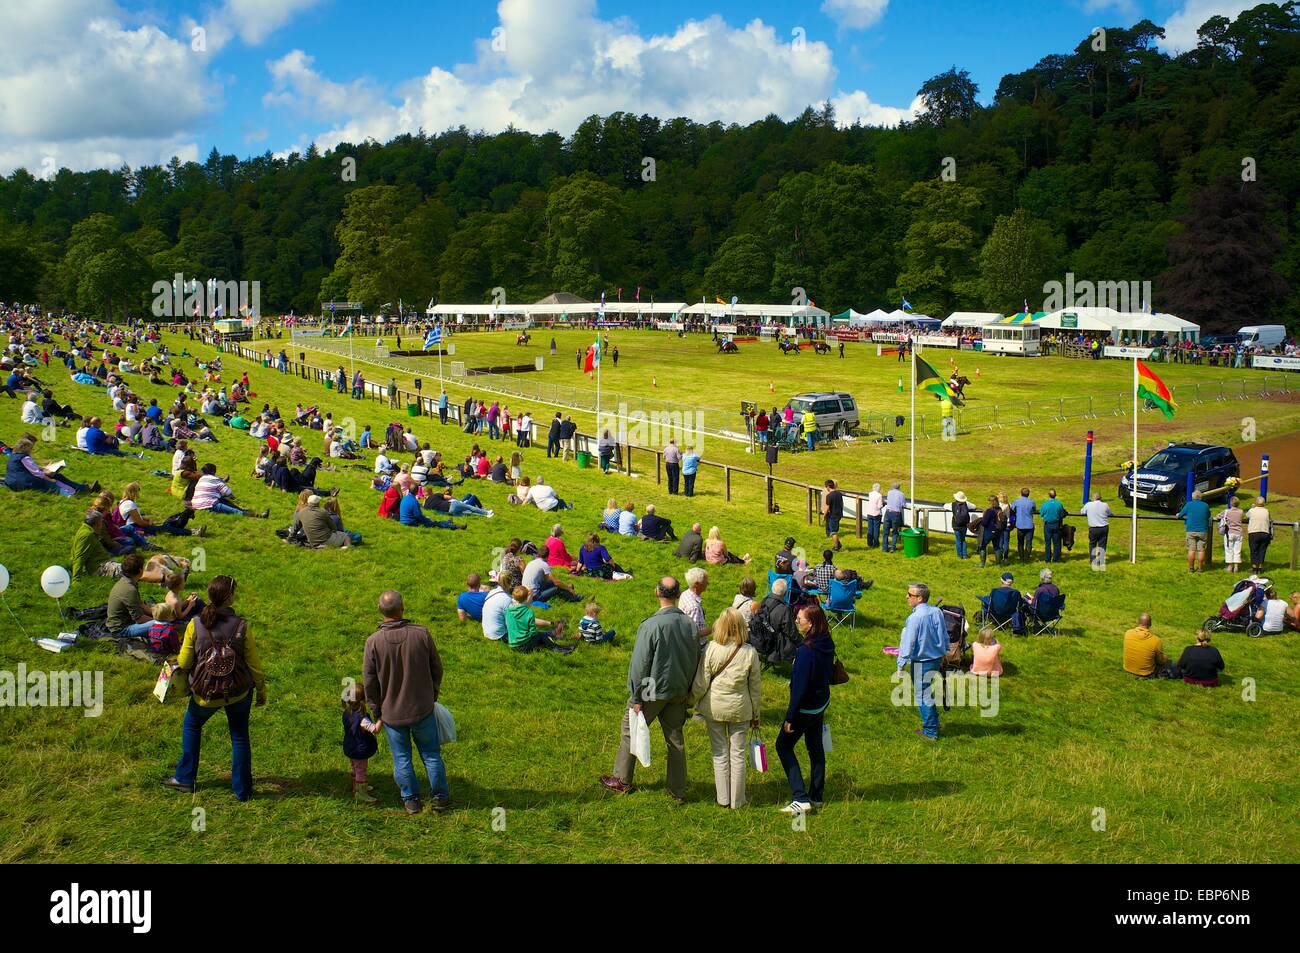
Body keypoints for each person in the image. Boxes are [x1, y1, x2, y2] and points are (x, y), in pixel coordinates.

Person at [162, 575, 265, 801]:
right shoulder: (242, 625)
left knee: (192, 725)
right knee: (239, 736)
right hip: (239, 692)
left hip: (205, 694)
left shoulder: (195, 624)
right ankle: (242, 791)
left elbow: (186, 662)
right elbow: (254, 664)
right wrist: (261, 689)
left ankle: (185, 778)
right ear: (230, 597)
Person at [600, 578, 701, 801]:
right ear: (677, 594)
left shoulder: (651, 625)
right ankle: (677, 789)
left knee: (630, 728)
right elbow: (696, 657)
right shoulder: (690, 624)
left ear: (657, 592)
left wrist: (637, 696)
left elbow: (640, 664)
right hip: (679, 689)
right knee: (675, 739)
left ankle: (622, 779)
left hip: (651, 689)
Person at [363, 590, 449, 814]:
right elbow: (437, 669)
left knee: (402, 759)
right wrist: (432, 695)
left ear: (381, 611)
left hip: (391, 713)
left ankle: (411, 800)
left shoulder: (373, 642)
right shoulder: (422, 634)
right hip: (422, 707)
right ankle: (440, 797)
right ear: (402, 608)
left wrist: (377, 711)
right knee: (431, 754)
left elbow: (369, 682)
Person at [691, 607, 761, 809]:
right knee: (737, 754)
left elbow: (701, 681)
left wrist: (690, 701)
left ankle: (723, 799)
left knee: (719, 753)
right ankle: (737, 801)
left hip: (715, 708)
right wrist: (756, 714)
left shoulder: (711, 648)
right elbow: (755, 688)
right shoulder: (750, 653)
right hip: (740, 709)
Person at [776, 604, 835, 813]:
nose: (796, 621)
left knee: (783, 746)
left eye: (800, 618)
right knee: (815, 748)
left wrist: (790, 717)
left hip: (805, 707)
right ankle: (816, 795)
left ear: (810, 623)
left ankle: (800, 797)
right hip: (820, 704)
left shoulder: (805, 651)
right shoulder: (826, 641)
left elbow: (799, 688)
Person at [897, 582, 948, 740]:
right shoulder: (936, 611)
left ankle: (930, 732)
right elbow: (944, 634)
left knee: (922, 695)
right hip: (936, 658)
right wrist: (944, 652)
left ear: (919, 598)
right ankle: (934, 722)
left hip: (922, 662)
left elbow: (908, 643)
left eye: (910, 595)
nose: (907, 597)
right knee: (926, 692)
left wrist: (901, 664)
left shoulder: (915, 618)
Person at [5, 434, 93, 495]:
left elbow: (28, 468)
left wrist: (44, 468)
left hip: (11, 481)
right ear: (25, 447)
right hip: (24, 482)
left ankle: (80, 488)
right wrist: (49, 479)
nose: (31, 450)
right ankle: (75, 492)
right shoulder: (24, 457)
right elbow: (36, 473)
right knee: (56, 479)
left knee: (56, 476)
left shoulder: (14, 456)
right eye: (31, 448)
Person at [342, 681, 382, 804]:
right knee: (361, 771)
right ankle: (361, 793)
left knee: (355, 767)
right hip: (359, 749)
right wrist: (381, 718)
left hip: (350, 746)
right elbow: (375, 729)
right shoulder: (362, 719)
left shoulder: (347, 712)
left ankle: (356, 787)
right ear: (363, 700)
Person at [505, 585, 573, 653]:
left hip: (513, 645)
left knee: (540, 635)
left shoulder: (508, 610)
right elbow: (533, 632)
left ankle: (554, 635)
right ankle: (558, 648)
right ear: (526, 598)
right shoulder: (528, 612)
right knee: (541, 636)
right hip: (523, 646)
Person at [106, 553, 156, 637]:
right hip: (121, 629)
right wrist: (159, 620)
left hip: (125, 621)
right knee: (162, 625)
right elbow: (139, 619)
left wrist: (156, 612)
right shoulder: (130, 589)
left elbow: (141, 605)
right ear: (140, 571)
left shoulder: (127, 581)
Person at [1123, 613, 1177, 678]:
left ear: (1138, 622)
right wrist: (1165, 658)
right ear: (1150, 624)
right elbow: (1160, 661)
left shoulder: (1128, 633)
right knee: (1173, 664)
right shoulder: (1156, 640)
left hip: (1128, 668)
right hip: (1146, 673)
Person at [1176, 490, 1212, 573]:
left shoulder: (1189, 504)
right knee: (1201, 550)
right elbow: (1208, 515)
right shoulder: (1205, 505)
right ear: (1201, 497)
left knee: (1191, 550)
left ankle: (1191, 568)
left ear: (1193, 497)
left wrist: (1178, 515)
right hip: (1202, 530)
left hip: (1191, 530)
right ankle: (1200, 569)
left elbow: (1181, 514)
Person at [1080, 491, 1112, 571]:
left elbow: (1082, 512)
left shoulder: (1088, 505)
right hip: (1104, 527)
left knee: (1092, 544)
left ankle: (1093, 561)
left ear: (1092, 498)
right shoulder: (1105, 505)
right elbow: (1110, 513)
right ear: (1100, 498)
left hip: (1093, 528)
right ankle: (1100, 561)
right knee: (1102, 545)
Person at [679, 566, 712, 644]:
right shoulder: (694, 607)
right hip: (698, 647)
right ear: (697, 584)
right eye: (705, 581)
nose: (708, 583)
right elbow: (694, 634)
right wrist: (714, 628)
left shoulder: (685, 593)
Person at [1218, 496, 1245, 573]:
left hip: (1229, 533)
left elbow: (1218, 516)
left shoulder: (1226, 511)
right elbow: (1243, 517)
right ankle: (1236, 567)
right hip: (1239, 533)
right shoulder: (1241, 512)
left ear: (1230, 503)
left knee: (1229, 550)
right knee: (1237, 550)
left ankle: (1230, 566)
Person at [1039, 489, 1066, 564]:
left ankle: (1047, 559)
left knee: (1047, 543)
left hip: (1048, 525)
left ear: (1048, 495)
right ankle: (1055, 559)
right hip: (1056, 524)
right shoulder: (1059, 504)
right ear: (1055, 495)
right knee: (1056, 543)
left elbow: (1041, 513)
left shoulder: (1045, 504)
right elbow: (1061, 514)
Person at [1246, 497, 1272, 573]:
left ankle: (1254, 567)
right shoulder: (1267, 511)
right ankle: (1260, 568)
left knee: (1254, 550)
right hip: (1265, 532)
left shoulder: (1252, 510)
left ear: (1256, 503)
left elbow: (1246, 515)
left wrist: (1252, 507)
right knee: (1262, 550)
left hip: (1254, 532)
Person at [1010, 487, 1036, 562]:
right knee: (1029, 542)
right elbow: (1034, 509)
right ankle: (1027, 558)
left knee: (1020, 542)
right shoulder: (1031, 502)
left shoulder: (1017, 502)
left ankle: (1021, 558)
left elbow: (1012, 509)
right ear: (1028, 494)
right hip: (1029, 525)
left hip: (1020, 525)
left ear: (1021, 494)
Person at [883, 482, 906, 552]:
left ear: (892, 487)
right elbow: (903, 505)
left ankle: (884, 548)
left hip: (888, 512)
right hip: (896, 513)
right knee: (895, 531)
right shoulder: (901, 494)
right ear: (899, 487)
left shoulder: (889, 492)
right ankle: (892, 547)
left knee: (885, 531)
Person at [822, 479, 844, 552]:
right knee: (834, 530)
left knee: (833, 532)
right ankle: (838, 544)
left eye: (826, 487)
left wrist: (824, 516)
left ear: (828, 487)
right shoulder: (839, 493)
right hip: (839, 514)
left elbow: (828, 508)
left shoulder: (829, 496)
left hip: (833, 515)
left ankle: (836, 548)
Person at [951, 491, 971, 560]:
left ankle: (959, 556)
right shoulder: (966, 504)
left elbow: (945, 506)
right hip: (964, 525)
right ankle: (965, 556)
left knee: (958, 540)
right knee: (963, 540)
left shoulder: (953, 504)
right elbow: (974, 506)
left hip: (956, 525)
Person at [865, 483, 883, 548]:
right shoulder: (879, 495)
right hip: (876, 513)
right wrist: (883, 504)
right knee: (876, 529)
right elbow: (879, 506)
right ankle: (875, 543)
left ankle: (869, 543)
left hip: (869, 512)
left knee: (870, 528)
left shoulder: (870, 494)